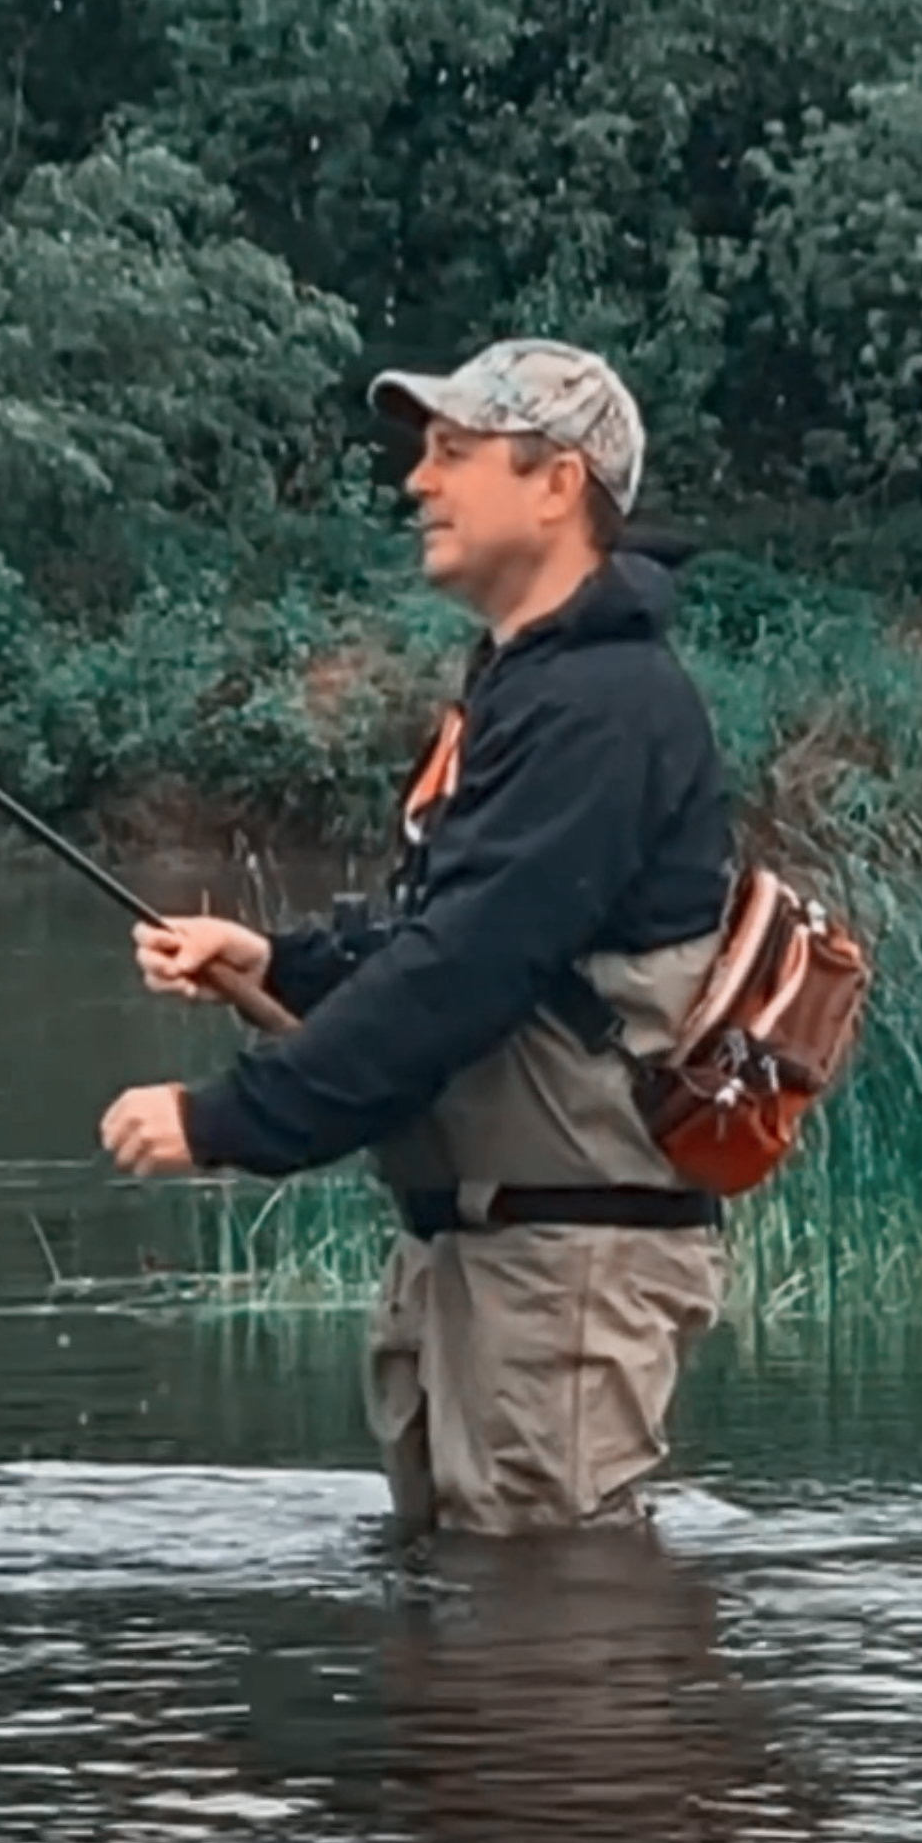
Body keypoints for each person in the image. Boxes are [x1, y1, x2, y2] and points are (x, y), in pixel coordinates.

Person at [96, 338, 737, 1537]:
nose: (418, 481)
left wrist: (229, 1121)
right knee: (476, 1618)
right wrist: (277, 964)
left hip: (563, 1274)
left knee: (553, 1625)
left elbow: (465, 973)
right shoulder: (523, 688)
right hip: (487, 1260)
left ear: (557, 484)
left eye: (453, 453)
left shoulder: (605, 708)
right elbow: (437, 929)